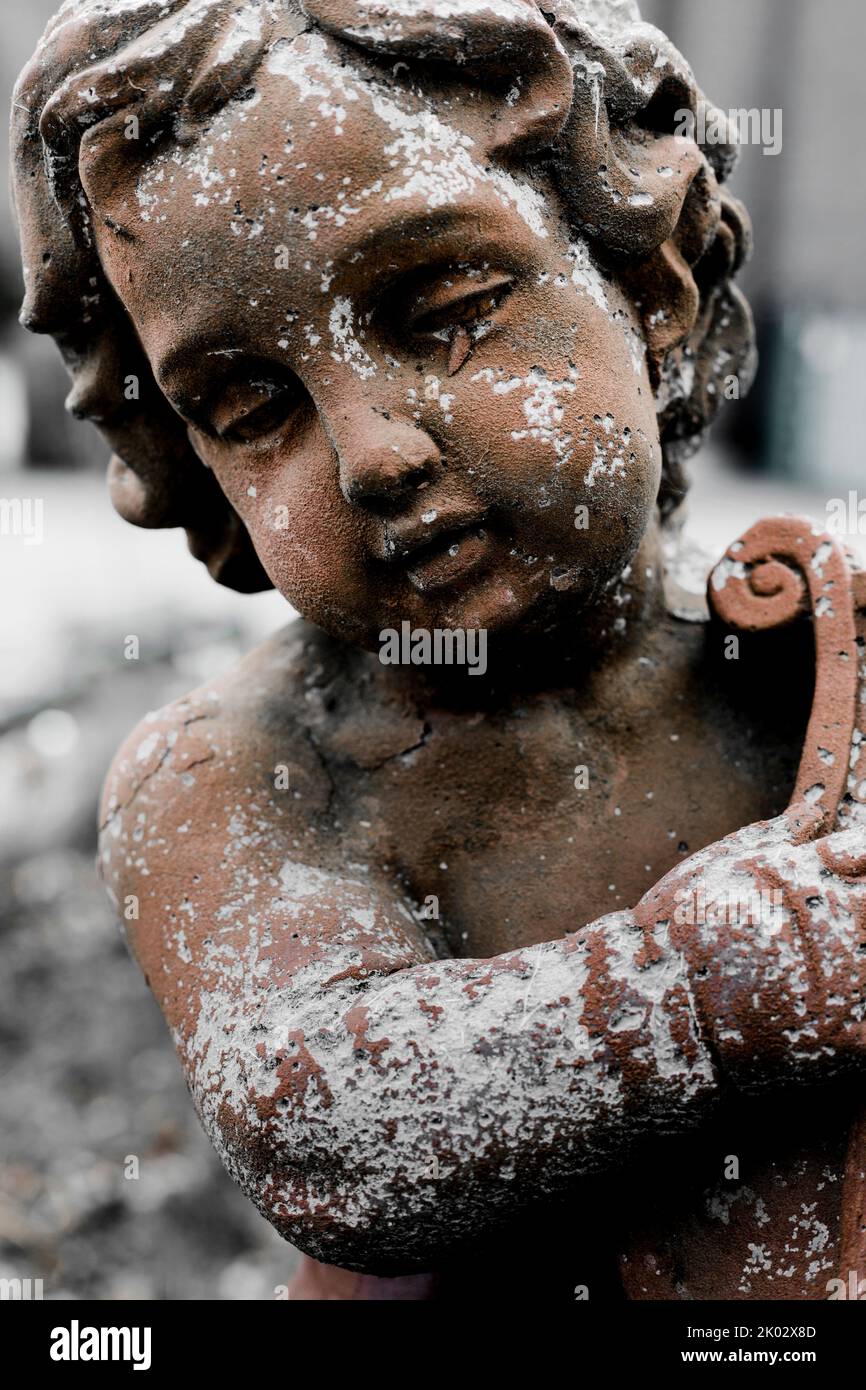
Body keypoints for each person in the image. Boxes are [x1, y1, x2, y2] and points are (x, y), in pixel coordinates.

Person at [12, 0, 866, 1299]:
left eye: (446, 309)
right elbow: (323, 1124)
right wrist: (706, 987)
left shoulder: (816, 655)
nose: (373, 452)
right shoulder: (243, 774)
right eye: (249, 407)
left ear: (650, 285)